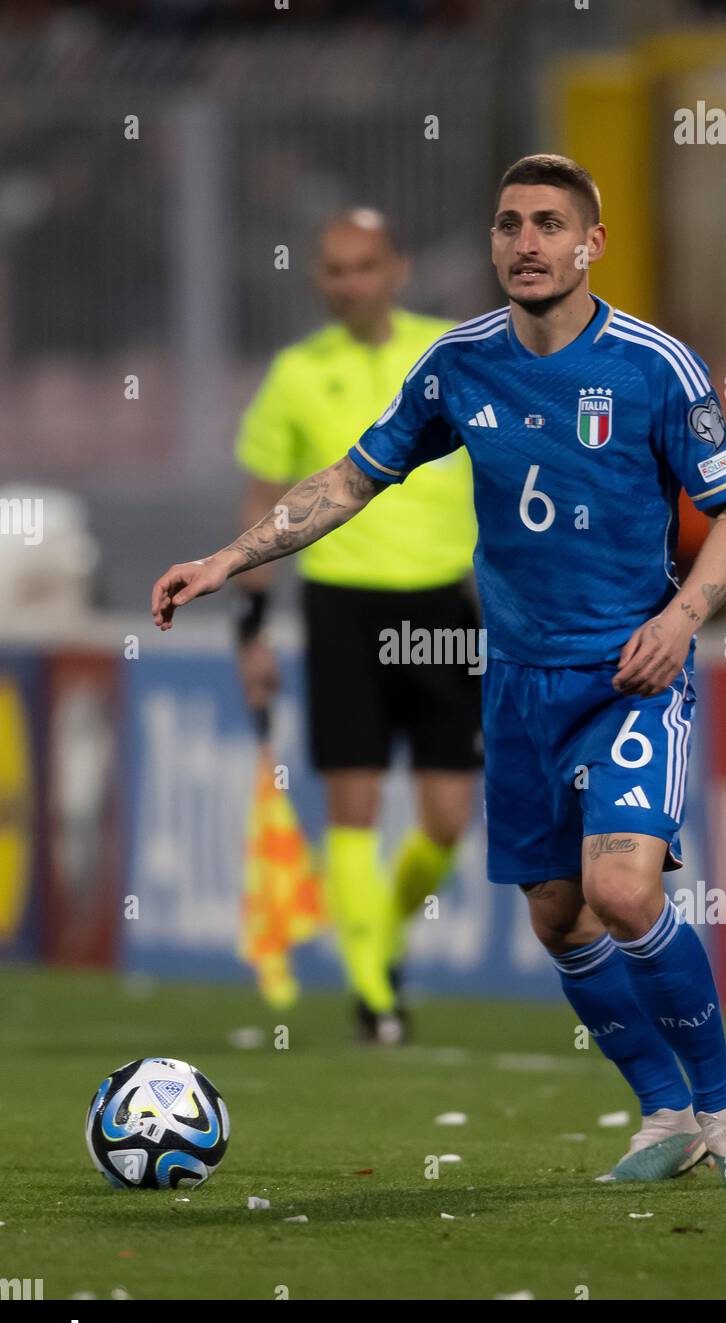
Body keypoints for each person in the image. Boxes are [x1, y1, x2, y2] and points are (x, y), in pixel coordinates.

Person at [152, 153, 726, 1187]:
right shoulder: (460, 363)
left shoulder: (652, 366)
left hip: (629, 671)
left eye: (546, 224)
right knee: (553, 912)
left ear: (591, 244)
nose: (524, 243)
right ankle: (662, 1112)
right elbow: (353, 479)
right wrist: (226, 562)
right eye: (506, 225)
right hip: (517, 681)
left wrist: (681, 615)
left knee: (621, 890)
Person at [233, 208, 481, 1040]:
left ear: (396, 269)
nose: (351, 283)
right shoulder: (296, 374)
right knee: (355, 802)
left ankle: (384, 928)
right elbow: (265, 502)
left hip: (448, 606)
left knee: (448, 817)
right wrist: (252, 627)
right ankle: (376, 997)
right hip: (342, 605)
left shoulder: (451, 353)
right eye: (335, 269)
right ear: (318, 280)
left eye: (365, 266)